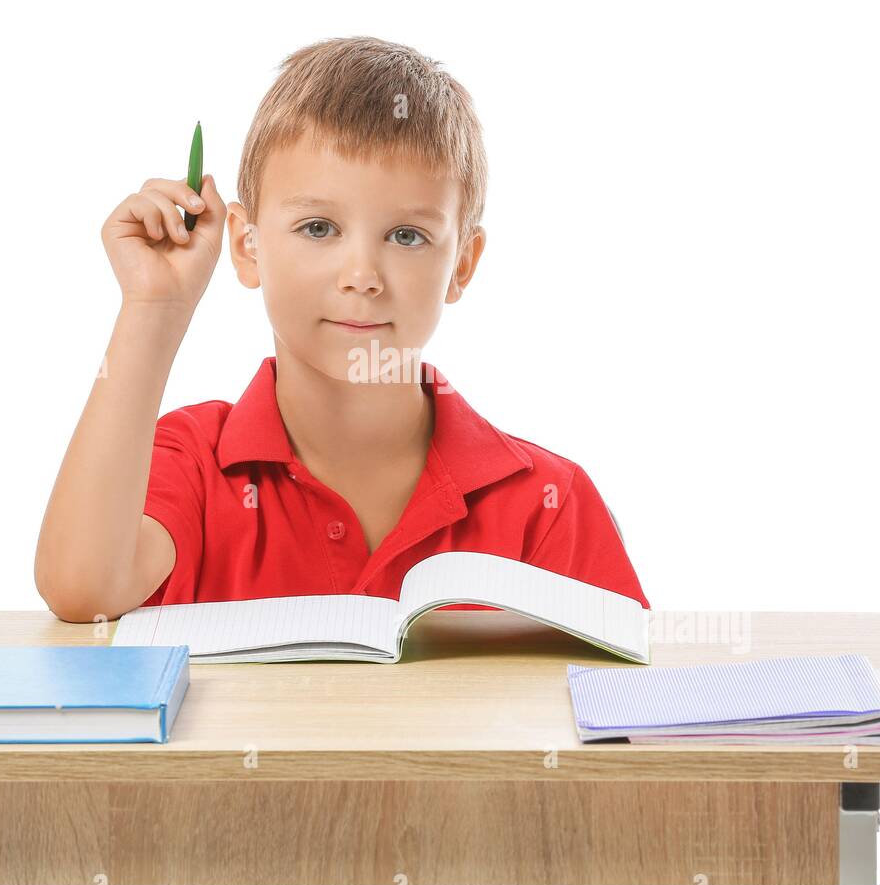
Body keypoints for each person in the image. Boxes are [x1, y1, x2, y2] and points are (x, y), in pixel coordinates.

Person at [34, 36, 649, 621]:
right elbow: (82, 589)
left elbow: (618, 710)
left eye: (406, 236)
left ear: (461, 264)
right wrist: (154, 308)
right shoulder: (190, 464)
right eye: (319, 228)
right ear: (246, 246)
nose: (362, 275)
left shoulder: (549, 504)